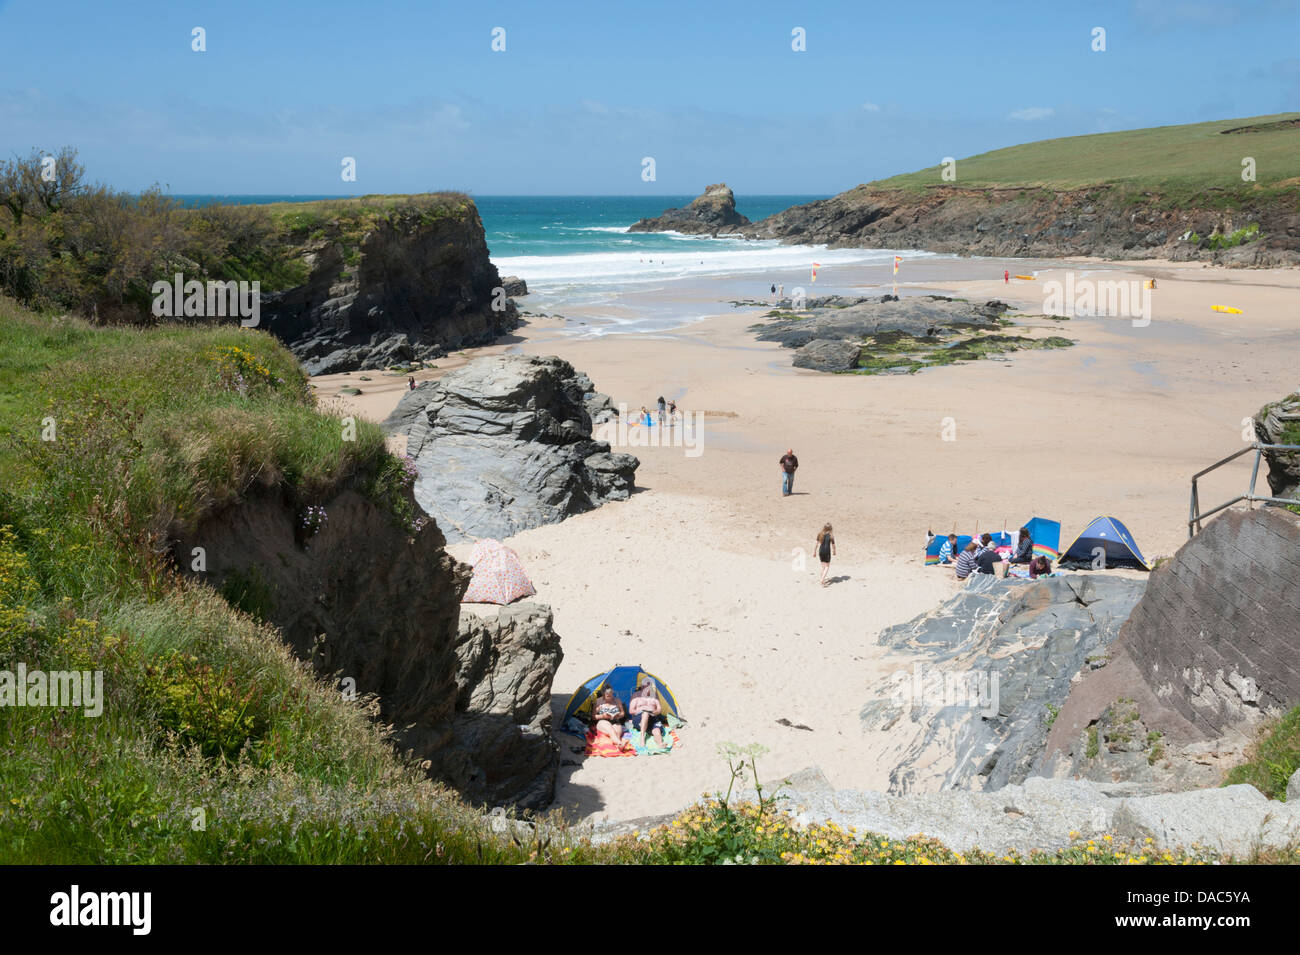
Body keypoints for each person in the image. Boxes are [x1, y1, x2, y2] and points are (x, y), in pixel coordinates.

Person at [629, 679, 666, 746]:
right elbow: (631, 711)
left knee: (657, 731)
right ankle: (642, 737)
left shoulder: (654, 696)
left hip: (652, 717)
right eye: (646, 687)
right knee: (645, 713)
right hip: (639, 718)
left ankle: (660, 744)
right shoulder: (636, 695)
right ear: (642, 687)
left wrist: (655, 712)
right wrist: (642, 710)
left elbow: (659, 709)